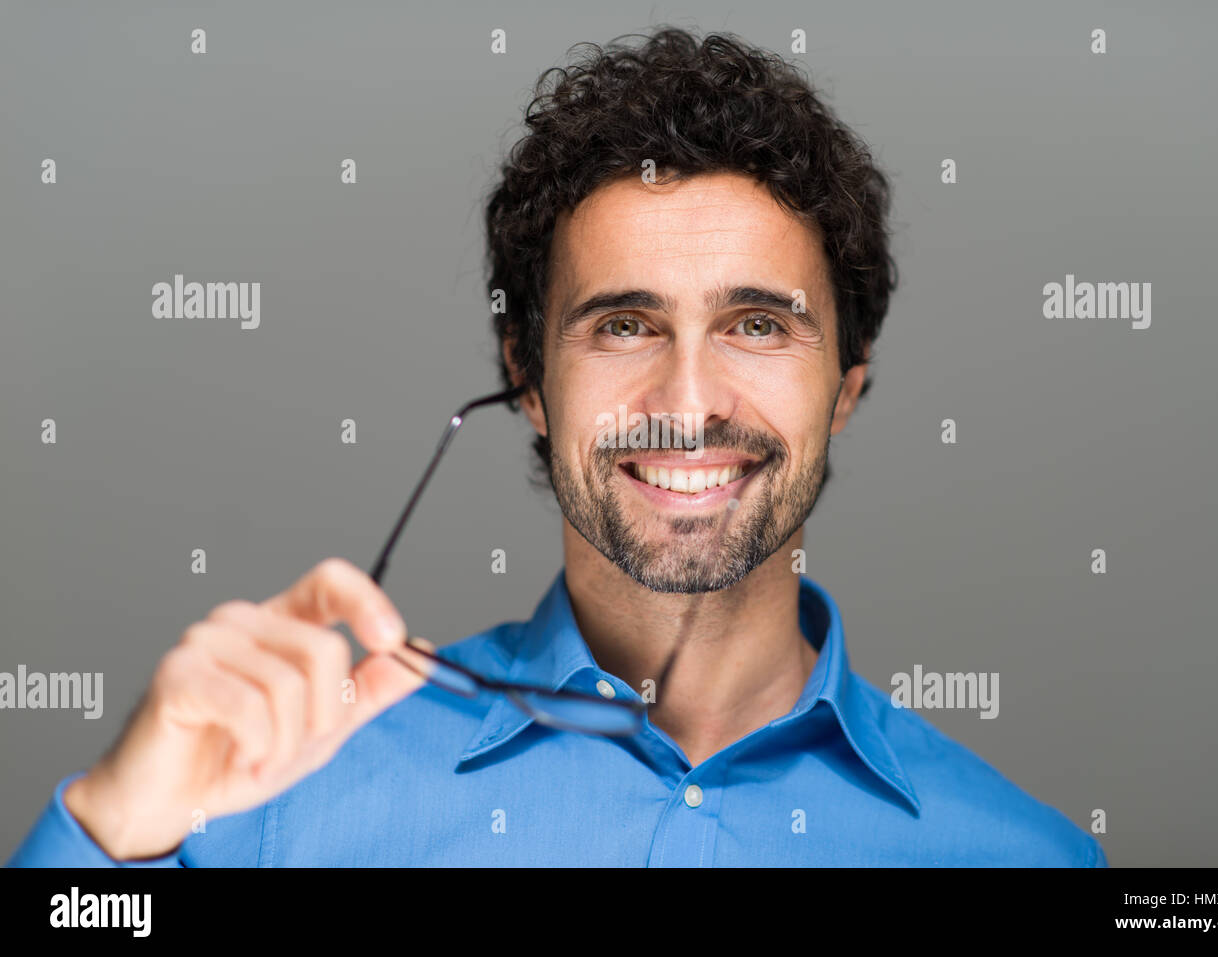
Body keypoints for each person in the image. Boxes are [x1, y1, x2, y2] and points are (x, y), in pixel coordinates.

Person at [9, 28, 1105, 867]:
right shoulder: (267, 797)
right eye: (624, 323)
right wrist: (113, 829)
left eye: (757, 325)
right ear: (527, 382)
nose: (687, 401)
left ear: (845, 391)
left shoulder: (1026, 856)